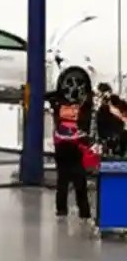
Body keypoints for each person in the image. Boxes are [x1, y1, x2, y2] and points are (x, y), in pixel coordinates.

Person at [47, 90, 92, 220]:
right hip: (76, 149)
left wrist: (59, 94)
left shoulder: (59, 108)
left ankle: (61, 210)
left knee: (62, 181)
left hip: (61, 148)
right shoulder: (81, 110)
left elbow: (48, 97)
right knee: (80, 182)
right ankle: (84, 212)